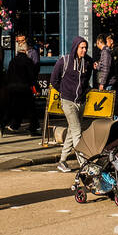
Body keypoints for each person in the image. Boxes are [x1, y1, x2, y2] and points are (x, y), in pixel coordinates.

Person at [50, 35, 92, 171]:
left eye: (86, 48)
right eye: (82, 48)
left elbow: (87, 80)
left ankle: (62, 161)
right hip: (67, 101)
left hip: (81, 102)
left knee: (71, 131)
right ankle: (83, 164)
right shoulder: (64, 61)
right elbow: (54, 80)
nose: (84, 50)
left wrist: (85, 92)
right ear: (75, 47)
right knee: (77, 132)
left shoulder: (88, 62)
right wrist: (64, 91)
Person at [6, 33, 38, 135]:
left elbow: (9, 74)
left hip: (14, 87)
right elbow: (32, 74)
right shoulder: (28, 61)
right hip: (25, 87)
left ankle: (14, 125)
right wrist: (35, 86)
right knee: (30, 107)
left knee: (17, 106)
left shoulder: (12, 61)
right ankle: (34, 126)